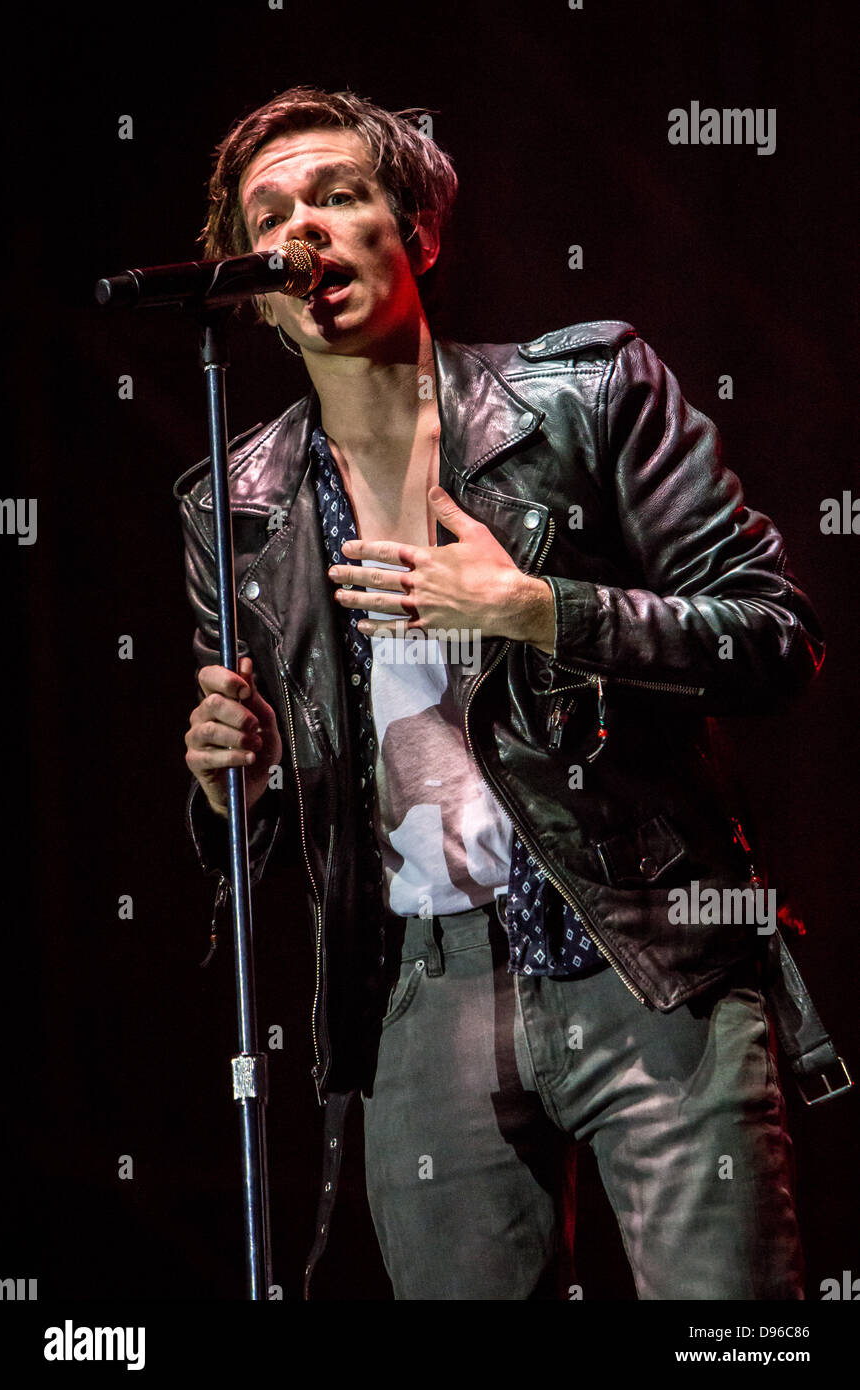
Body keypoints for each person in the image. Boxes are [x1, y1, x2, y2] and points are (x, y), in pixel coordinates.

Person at [176, 86, 826, 1300]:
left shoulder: (586, 392)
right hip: (419, 995)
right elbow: (263, 836)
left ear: (414, 230)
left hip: (639, 949)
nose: (301, 230)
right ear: (245, 282)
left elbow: (775, 637)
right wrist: (235, 786)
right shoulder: (238, 502)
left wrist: (537, 609)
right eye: (271, 215)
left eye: (336, 195)